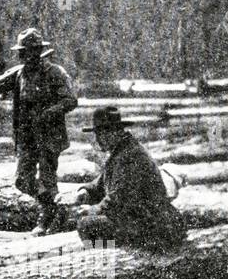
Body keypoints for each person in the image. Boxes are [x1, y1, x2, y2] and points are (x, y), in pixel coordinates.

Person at [0, 28, 79, 235]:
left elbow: (70, 100)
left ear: (37, 51)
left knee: (46, 179)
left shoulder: (55, 72)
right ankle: (55, 207)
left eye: (27, 52)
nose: (23, 56)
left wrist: (49, 112)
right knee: (22, 181)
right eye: (21, 52)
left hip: (49, 137)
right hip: (27, 137)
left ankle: (46, 219)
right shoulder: (19, 74)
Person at [71, 107, 186, 251]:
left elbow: (120, 196)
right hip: (142, 220)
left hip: (154, 224)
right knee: (88, 220)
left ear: (115, 132)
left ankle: (109, 254)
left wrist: (94, 209)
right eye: (98, 134)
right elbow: (101, 182)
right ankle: (107, 250)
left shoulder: (130, 155)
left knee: (87, 224)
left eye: (102, 134)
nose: (99, 140)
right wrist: (85, 191)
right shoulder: (120, 152)